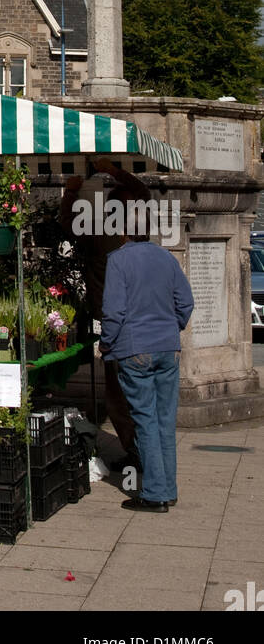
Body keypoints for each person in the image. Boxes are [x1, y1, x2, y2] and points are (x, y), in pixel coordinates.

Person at [99, 216, 194, 512]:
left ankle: (154, 494)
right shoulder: (166, 259)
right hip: (167, 346)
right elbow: (186, 302)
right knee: (165, 420)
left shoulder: (118, 260)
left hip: (135, 347)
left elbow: (113, 310)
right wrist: (169, 327)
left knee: (146, 420)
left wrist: (106, 343)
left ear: (124, 233)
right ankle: (168, 489)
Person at [60, 160, 148, 468]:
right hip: (134, 322)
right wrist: (113, 172)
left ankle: (137, 451)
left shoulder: (102, 232)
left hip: (118, 323)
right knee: (130, 393)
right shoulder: (136, 233)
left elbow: (67, 224)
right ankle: (139, 451)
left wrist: (72, 192)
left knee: (120, 393)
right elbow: (141, 191)